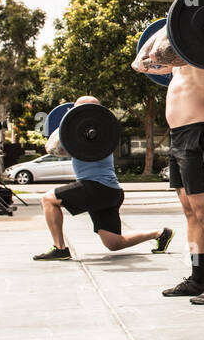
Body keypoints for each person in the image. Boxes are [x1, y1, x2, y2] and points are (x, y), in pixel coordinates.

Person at [133, 21, 204, 304]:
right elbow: (139, 64)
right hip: (179, 138)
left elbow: (157, 56)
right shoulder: (177, 66)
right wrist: (168, 22)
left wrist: (174, 24)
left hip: (198, 136)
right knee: (191, 214)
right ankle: (197, 278)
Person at [33, 95, 173, 261]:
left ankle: (60, 248)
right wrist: (69, 124)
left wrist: (67, 124)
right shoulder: (82, 137)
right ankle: (161, 233)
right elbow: (53, 149)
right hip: (109, 191)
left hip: (97, 187)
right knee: (113, 243)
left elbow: (51, 148)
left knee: (49, 199)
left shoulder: (100, 134)